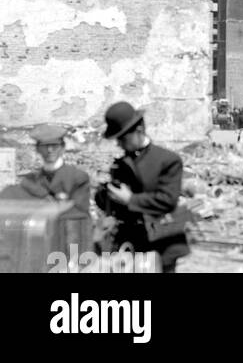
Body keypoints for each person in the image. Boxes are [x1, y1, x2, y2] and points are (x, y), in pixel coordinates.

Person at [94, 102, 190, 274]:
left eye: (123, 139)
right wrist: (105, 194)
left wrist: (130, 199)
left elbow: (168, 201)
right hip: (129, 244)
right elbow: (115, 209)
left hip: (161, 242)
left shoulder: (167, 160)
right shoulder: (121, 164)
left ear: (138, 131)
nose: (119, 145)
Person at [0, 123, 91, 216]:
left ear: (63, 148)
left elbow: (79, 212)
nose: (50, 150)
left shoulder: (78, 178)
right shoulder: (29, 180)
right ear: (37, 149)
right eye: (45, 146)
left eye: (54, 146)